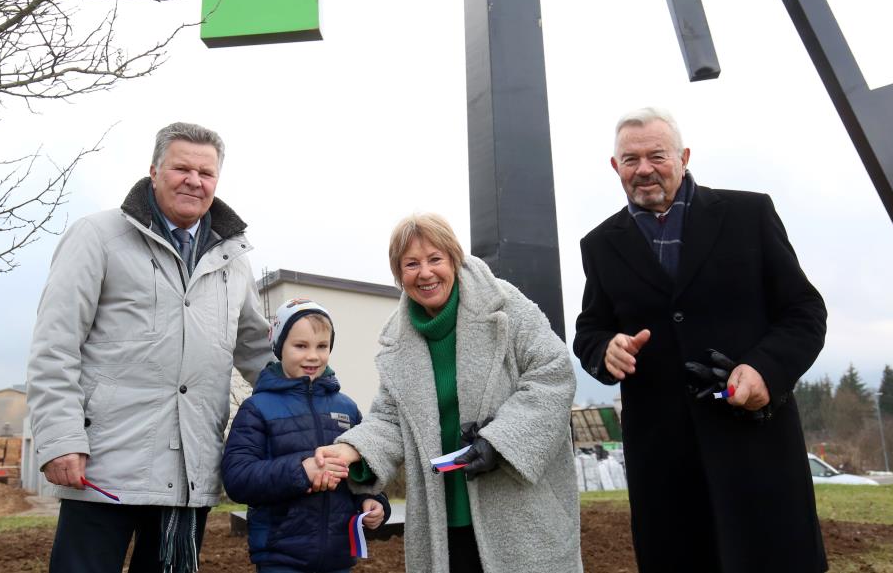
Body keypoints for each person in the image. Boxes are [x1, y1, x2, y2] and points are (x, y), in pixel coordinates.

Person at [573, 107, 829, 573]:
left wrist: (764, 370)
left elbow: (804, 311)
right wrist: (604, 348)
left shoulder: (749, 214)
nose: (644, 169)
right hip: (664, 463)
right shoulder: (600, 244)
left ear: (684, 157)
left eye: (657, 155)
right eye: (630, 159)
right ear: (615, 167)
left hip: (755, 447)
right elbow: (589, 330)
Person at [27, 122, 273, 573]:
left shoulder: (232, 259)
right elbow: (55, 345)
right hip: (102, 466)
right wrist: (60, 439)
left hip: (188, 471)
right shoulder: (97, 237)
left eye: (206, 173)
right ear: (154, 170)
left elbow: (258, 351)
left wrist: (309, 404)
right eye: (181, 168)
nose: (194, 181)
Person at [315, 213, 582, 573]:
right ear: (399, 275)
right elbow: (390, 418)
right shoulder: (397, 341)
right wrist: (352, 450)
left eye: (435, 259)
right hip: (443, 518)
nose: (424, 273)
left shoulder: (506, 306)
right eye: (411, 264)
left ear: (454, 259)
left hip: (519, 508)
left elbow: (553, 373)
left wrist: (499, 441)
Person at [222, 298, 391, 573]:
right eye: (301, 346)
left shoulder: (347, 408)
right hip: (280, 558)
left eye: (322, 346)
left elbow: (363, 471)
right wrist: (302, 471)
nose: (313, 356)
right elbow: (238, 478)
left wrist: (372, 502)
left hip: (339, 558)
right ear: (278, 347)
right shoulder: (257, 409)